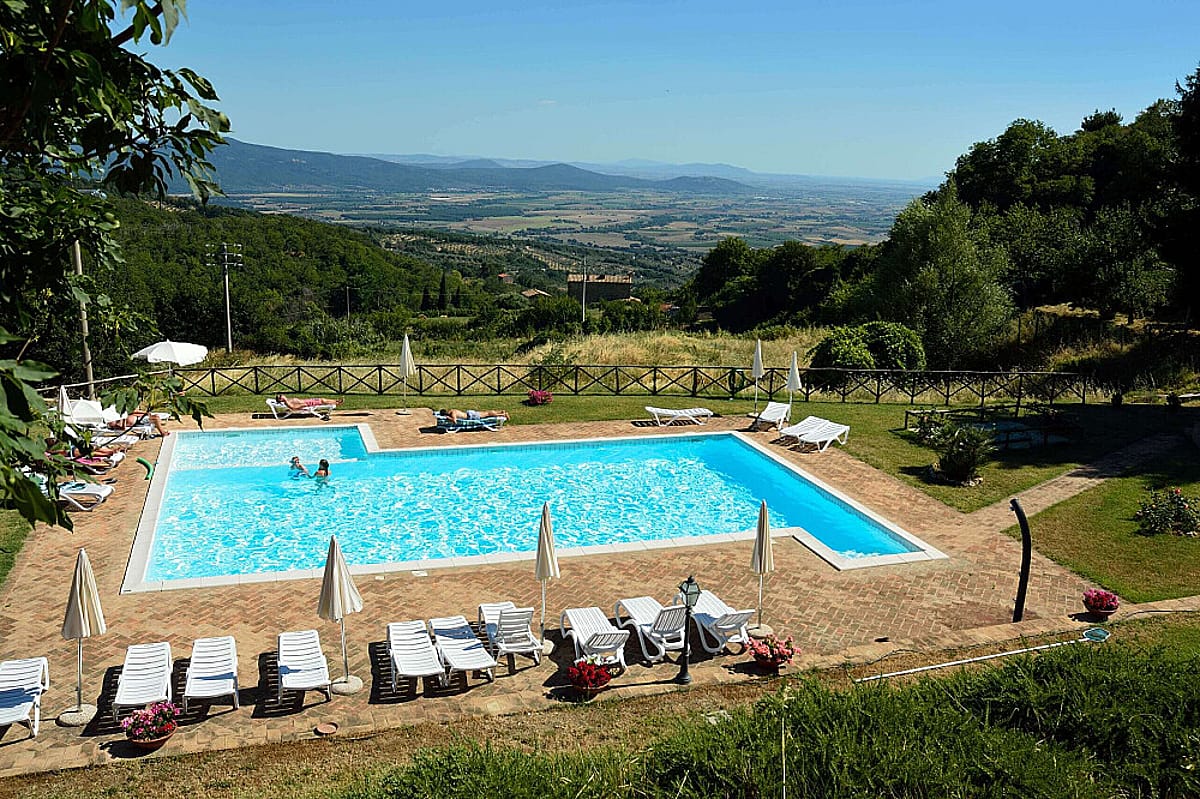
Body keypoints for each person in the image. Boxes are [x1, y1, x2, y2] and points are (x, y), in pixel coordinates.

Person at [276, 394, 343, 411]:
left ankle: (336, 401)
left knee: (322, 399)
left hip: (307, 401)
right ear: (281, 399)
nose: (282, 395)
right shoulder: (287, 402)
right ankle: (337, 402)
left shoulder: (288, 400)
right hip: (308, 403)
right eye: (281, 396)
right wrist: (304, 405)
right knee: (323, 401)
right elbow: (293, 407)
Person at [439, 408, 509, 422]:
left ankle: (503, 414)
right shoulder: (452, 410)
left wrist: (448, 418)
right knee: (486, 413)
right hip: (469, 413)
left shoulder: (452, 414)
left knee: (487, 414)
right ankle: (500, 412)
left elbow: (455, 421)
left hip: (470, 416)